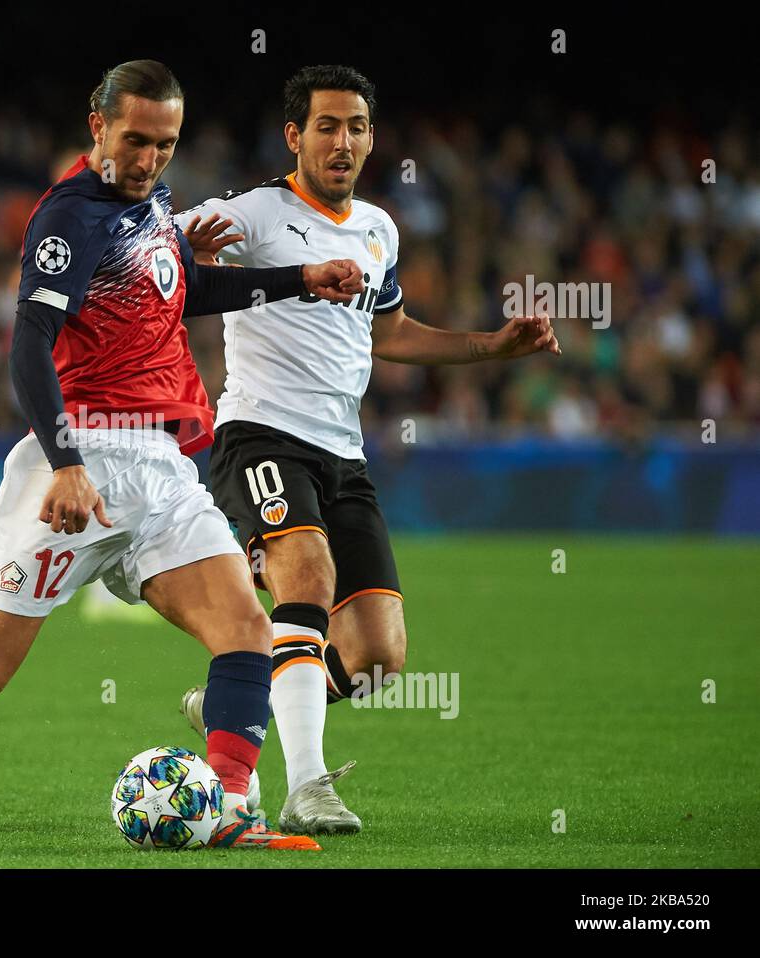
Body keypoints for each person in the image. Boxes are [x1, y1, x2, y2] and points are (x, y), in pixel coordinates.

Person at [0, 60, 364, 849]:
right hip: (81, 463)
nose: (148, 160)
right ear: (97, 125)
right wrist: (65, 462)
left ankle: (233, 812)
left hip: (163, 470)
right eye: (134, 140)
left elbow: (184, 292)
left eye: (165, 144)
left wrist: (301, 277)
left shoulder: (151, 200)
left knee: (246, 632)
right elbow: (29, 343)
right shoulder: (69, 217)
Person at [175, 64, 560, 835]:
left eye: (356, 126)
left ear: (372, 138)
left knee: (381, 655)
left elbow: (389, 333)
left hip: (341, 456)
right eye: (326, 125)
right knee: (306, 577)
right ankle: (306, 786)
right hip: (259, 434)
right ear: (295, 136)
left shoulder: (379, 229)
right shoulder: (252, 214)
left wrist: (491, 346)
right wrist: (180, 237)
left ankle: (240, 693)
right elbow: (155, 250)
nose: (343, 141)